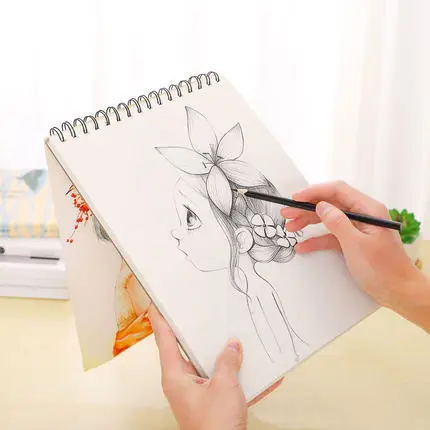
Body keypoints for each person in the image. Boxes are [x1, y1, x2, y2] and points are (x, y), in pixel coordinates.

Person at [148, 181, 430, 430]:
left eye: (191, 218)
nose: (175, 232)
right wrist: (403, 285)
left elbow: (283, 351)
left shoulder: (259, 294)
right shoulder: (238, 294)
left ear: (242, 239)